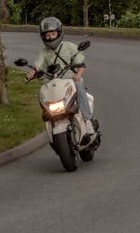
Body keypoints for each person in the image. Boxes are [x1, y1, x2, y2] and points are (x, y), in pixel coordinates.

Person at [26, 16, 95, 145]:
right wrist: (32, 72)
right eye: (47, 35)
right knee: (42, 93)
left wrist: (78, 75)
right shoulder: (44, 52)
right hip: (54, 83)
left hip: (71, 81)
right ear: (43, 37)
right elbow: (37, 66)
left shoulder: (69, 47)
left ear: (59, 32)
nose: (51, 37)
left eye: (53, 33)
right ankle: (50, 123)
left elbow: (81, 63)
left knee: (79, 87)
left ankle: (87, 121)